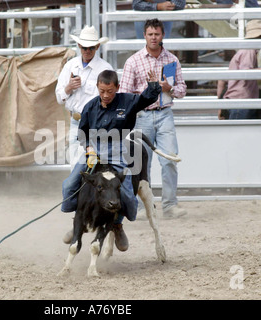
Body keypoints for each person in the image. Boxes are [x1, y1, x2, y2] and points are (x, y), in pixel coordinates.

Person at [61, 69, 162, 252]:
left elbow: (147, 99)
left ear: (117, 87)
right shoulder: (90, 106)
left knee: (127, 196)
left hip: (118, 152)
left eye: (109, 91)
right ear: (98, 88)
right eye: (102, 91)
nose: (105, 95)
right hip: (95, 152)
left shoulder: (128, 101)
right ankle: (79, 221)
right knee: (69, 185)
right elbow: (82, 133)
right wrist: (90, 150)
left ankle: (116, 224)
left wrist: (153, 85)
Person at [119, 19, 187, 220]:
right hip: (142, 116)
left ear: (162, 35)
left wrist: (170, 88)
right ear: (145, 35)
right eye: (150, 34)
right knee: (140, 164)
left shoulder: (172, 60)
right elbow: (124, 93)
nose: (154, 37)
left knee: (169, 159)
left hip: (165, 113)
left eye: (157, 34)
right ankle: (143, 207)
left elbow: (182, 89)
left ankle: (169, 205)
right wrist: (146, 93)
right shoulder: (133, 61)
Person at [55, 26, 113, 168]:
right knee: (75, 165)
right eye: (85, 48)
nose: (87, 51)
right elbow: (58, 97)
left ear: (97, 47)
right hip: (76, 122)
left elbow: (112, 98)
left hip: (97, 123)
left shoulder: (105, 69)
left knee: (97, 166)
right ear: (79, 46)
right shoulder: (70, 66)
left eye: (91, 48)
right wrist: (69, 87)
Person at [217, 20, 261, 120]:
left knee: (238, 132)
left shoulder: (246, 50)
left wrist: (220, 105)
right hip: (241, 100)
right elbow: (246, 72)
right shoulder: (249, 51)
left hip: (236, 100)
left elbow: (222, 81)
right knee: (239, 132)